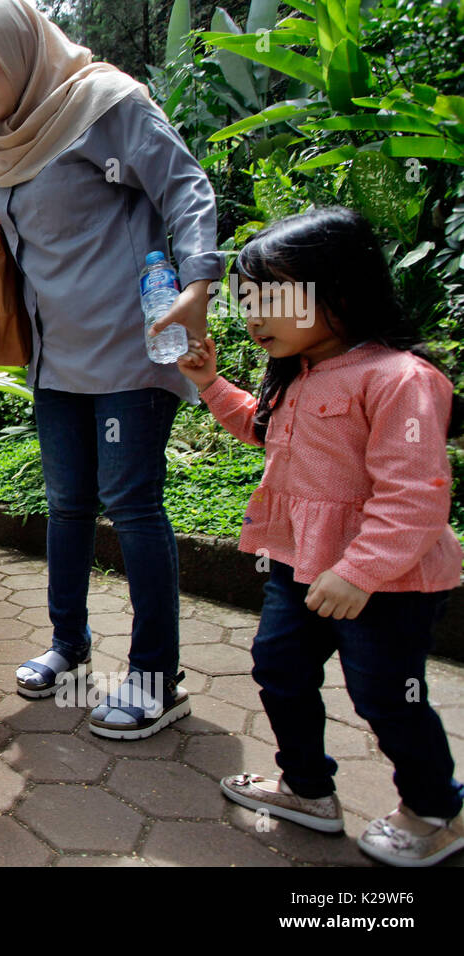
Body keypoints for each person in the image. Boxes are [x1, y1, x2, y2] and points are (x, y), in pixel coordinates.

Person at [0, 0, 224, 739]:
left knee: (130, 504)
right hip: (55, 362)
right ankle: (70, 647)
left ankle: (158, 679)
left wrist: (197, 284)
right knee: (66, 506)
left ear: (20, 49)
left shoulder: (105, 105)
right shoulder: (2, 150)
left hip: (132, 345)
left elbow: (186, 185)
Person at [178, 207, 463, 866]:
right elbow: (262, 428)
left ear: (341, 289)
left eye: (272, 297)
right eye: (247, 300)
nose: (254, 316)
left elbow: (416, 494)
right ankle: (306, 789)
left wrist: (360, 571)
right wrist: (210, 384)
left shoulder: (399, 379)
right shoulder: (300, 373)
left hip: (388, 583)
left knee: (388, 698)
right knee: (279, 668)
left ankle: (436, 810)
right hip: (298, 565)